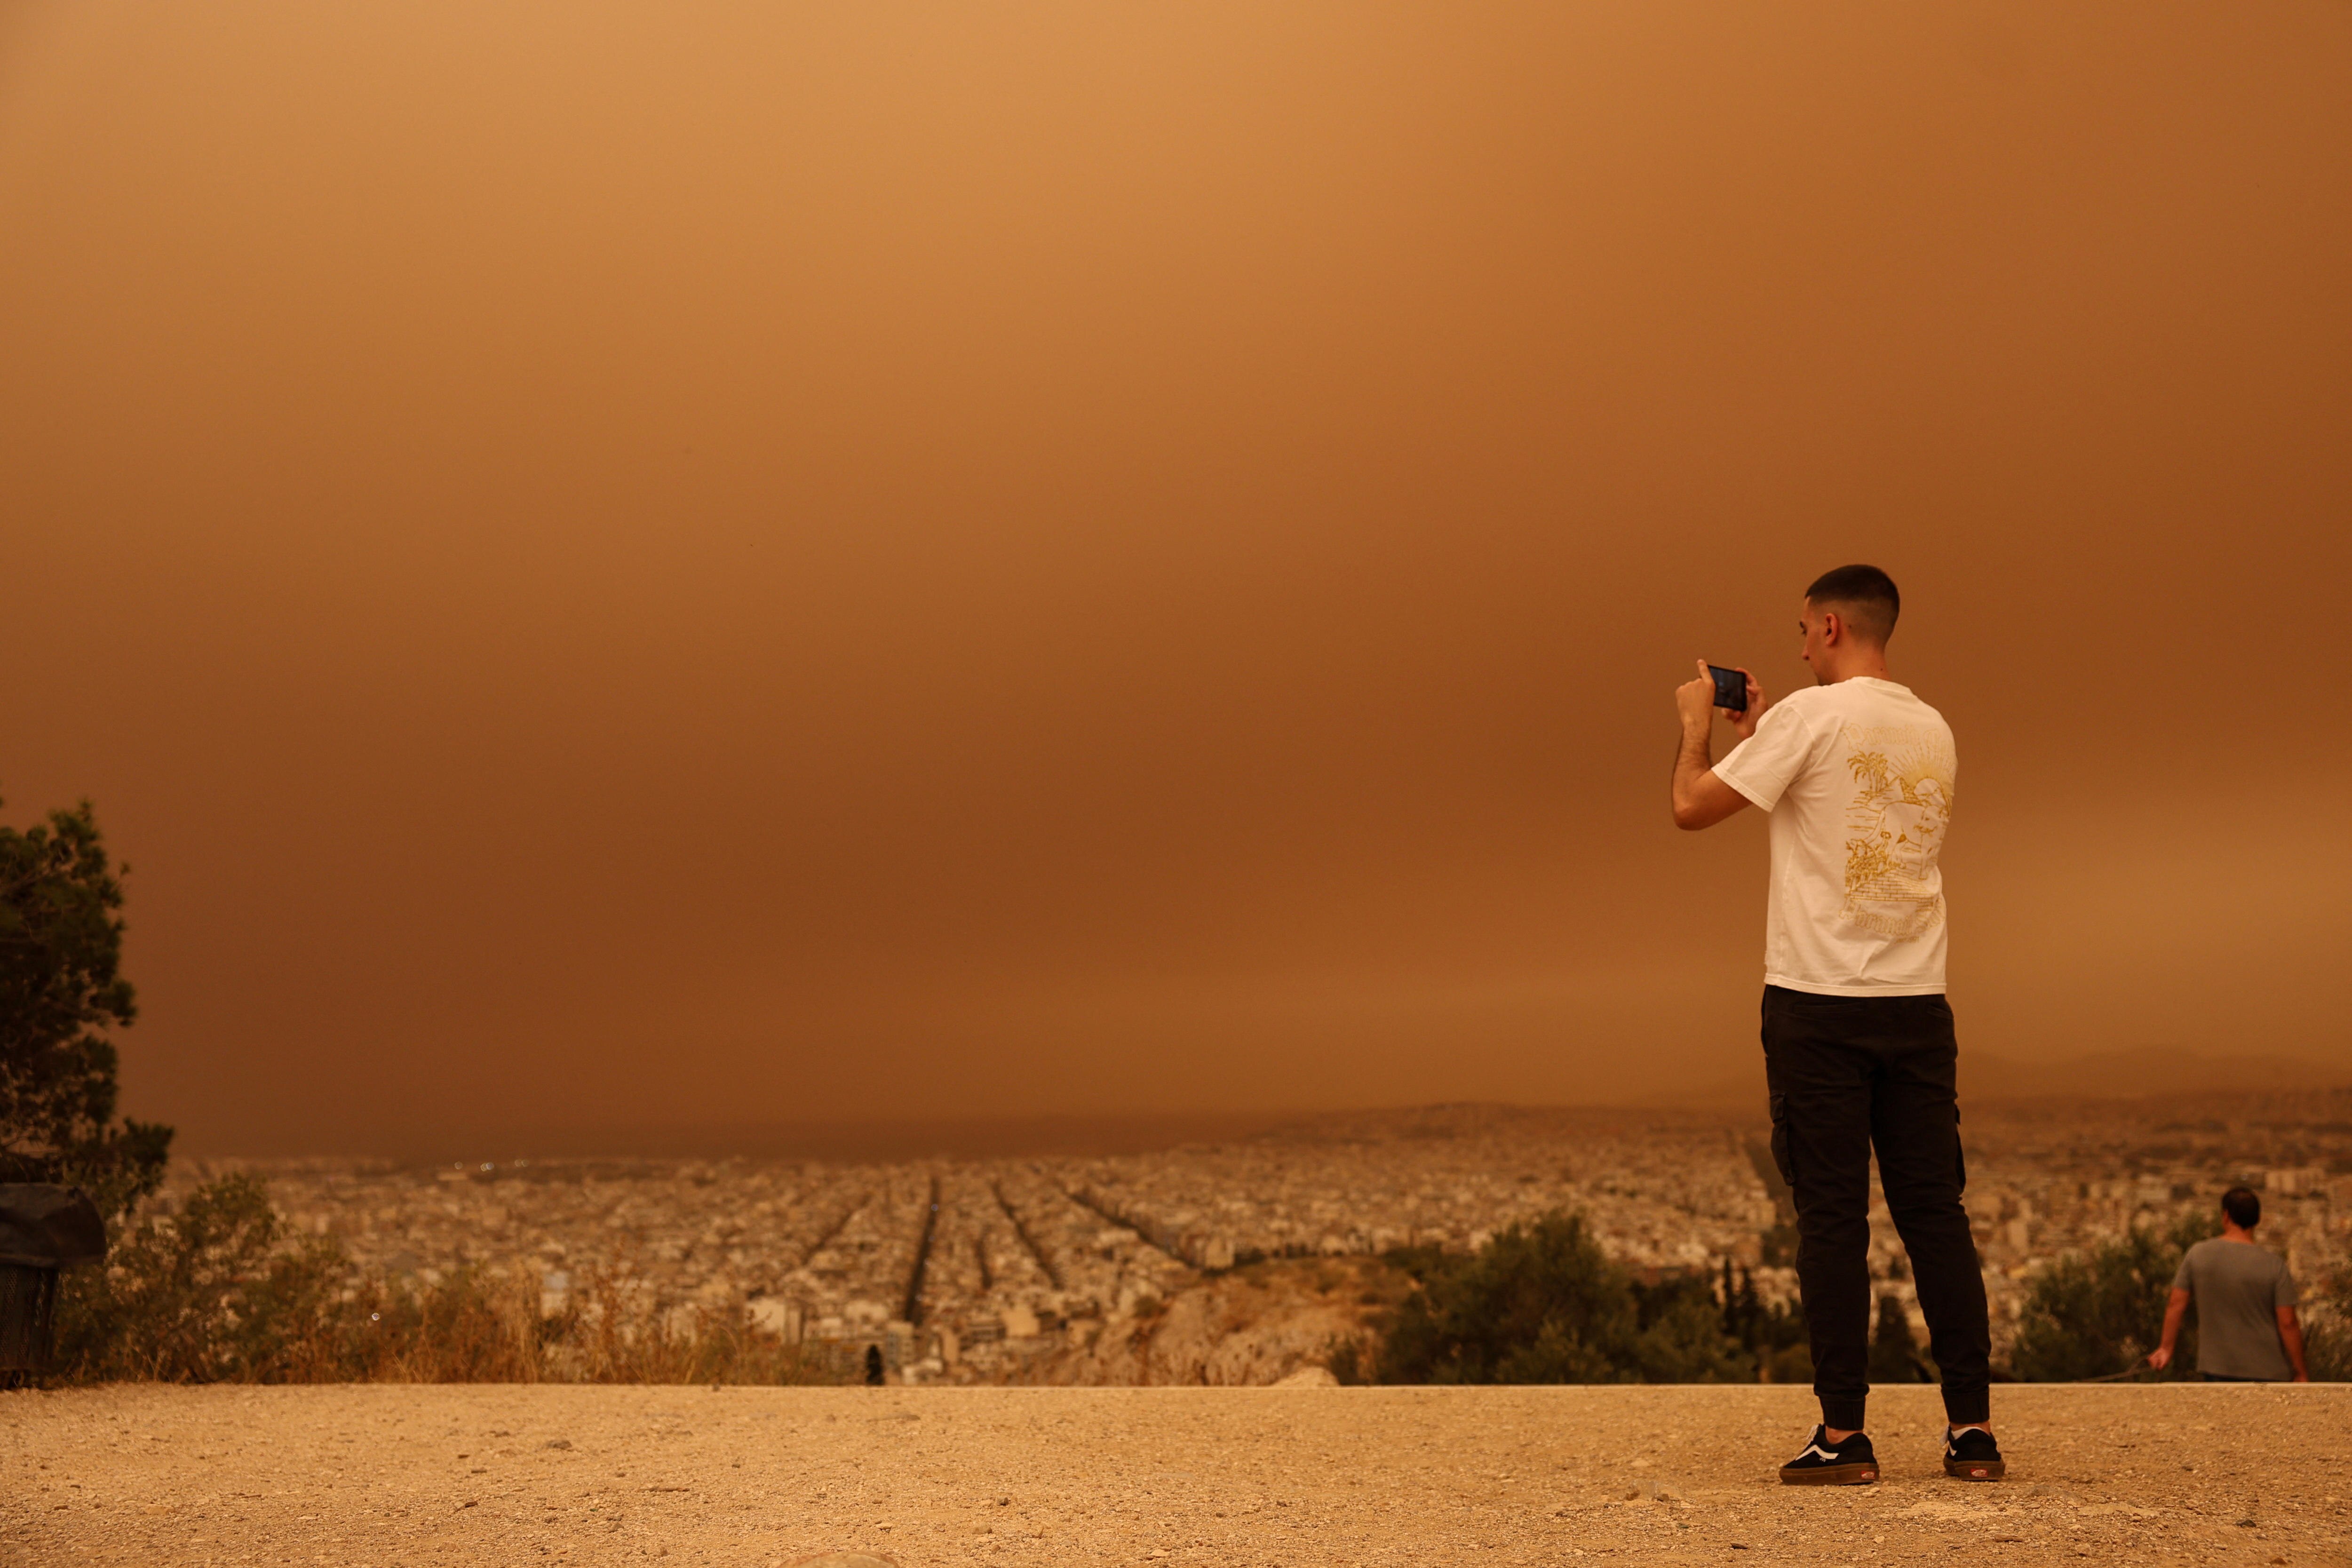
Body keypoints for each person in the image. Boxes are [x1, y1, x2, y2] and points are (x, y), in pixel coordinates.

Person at [1670, 564, 2000, 1486]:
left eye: (1799, 630)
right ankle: (1971, 1430)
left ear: (1823, 627)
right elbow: (1842, 803)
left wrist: (1700, 727)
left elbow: (1691, 806)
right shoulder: (1931, 726)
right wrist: (1764, 732)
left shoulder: (1807, 722)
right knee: (1935, 1213)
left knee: (1830, 1220)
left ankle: (1844, 1436)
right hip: (1918, 998)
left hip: (1819, 1000)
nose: (1797, 644)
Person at [2148, 1188, 2309, 1382]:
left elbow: (2176, 1304)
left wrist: (2166, 1349)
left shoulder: (2198, 1254)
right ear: (2258, 1219)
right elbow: (2288, 1323)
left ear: (2226, 1216)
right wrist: (2300, 1371)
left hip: (2217, 1368)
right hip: (2269, 1371)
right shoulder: (2275, 1265)